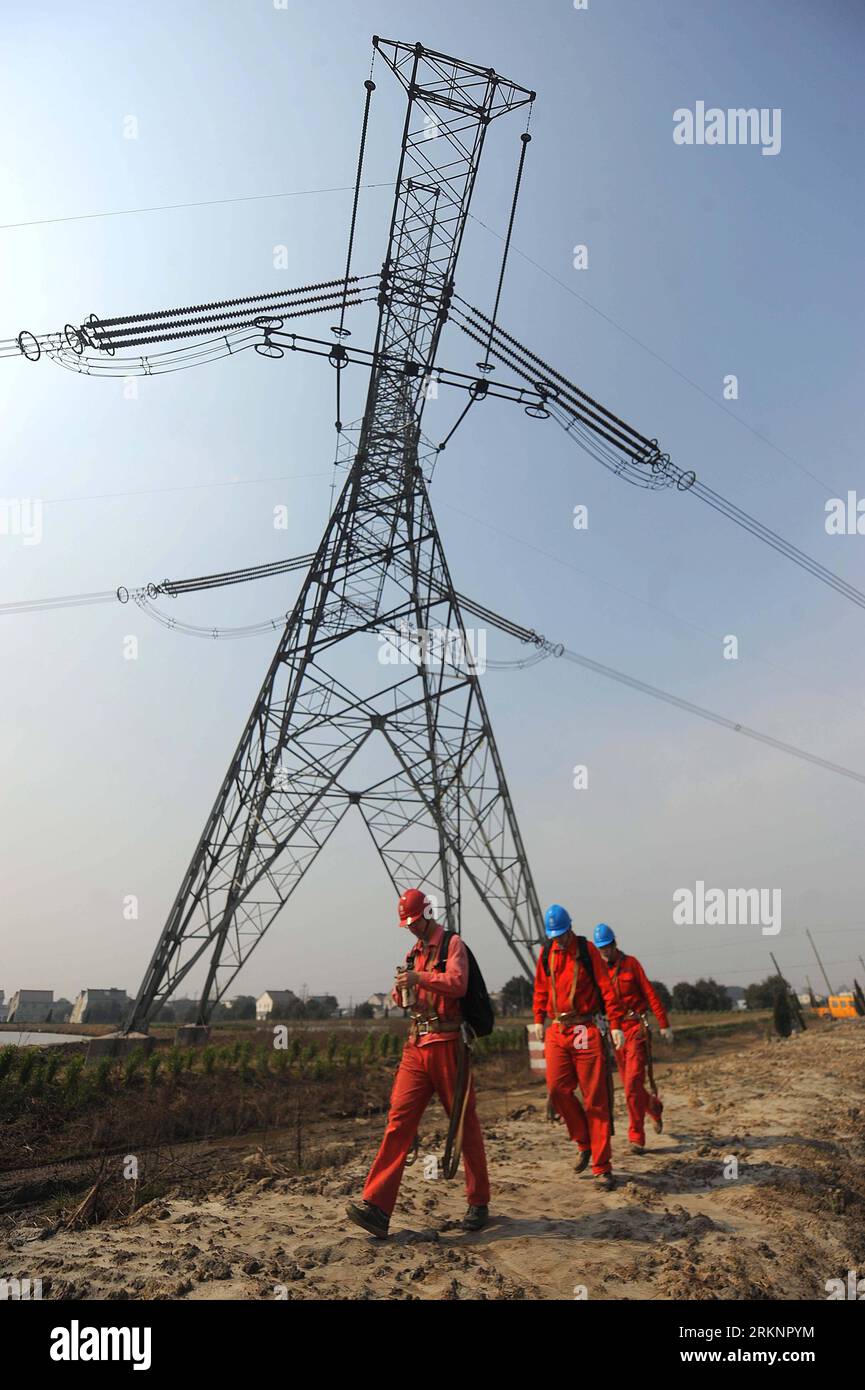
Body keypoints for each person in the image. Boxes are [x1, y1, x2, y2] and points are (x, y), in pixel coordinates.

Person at [346, 888, 490, 1238]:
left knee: (462, 1123)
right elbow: (405, 994)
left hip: (448, 1043)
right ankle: (377, 1207)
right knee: (398, 1120)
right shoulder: (413, 954)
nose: (411, 928)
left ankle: (478, 1200)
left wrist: (419, 979)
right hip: (417, 1043)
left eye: (414, 922)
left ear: (428, 913)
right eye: (407, 924)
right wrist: (400, 990)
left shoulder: (451, 945)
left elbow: (457, 983)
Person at [531, 904, 624, 1191]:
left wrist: (616, 1024)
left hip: (585, 1027)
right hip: (558, 1029)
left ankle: (602, 1166)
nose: (558, 939)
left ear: (570, 928)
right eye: (554, 935)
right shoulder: (547, 953)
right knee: (557, 1089)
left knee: (595, 1098)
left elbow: (607, 989)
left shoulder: (586, 951)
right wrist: (537, 1018)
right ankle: (583, 1140)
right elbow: (540, 988)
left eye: (561, 934)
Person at [593, 922, 673, 1154]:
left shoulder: (631, 964)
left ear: (614, 943)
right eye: (601, 948)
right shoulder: (599, 971)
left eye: (607, 946)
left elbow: (650, 992)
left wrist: (664, 1023)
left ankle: (636, 1135)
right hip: (615, 1032)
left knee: (631, 1085)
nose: (605, 951)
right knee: (632, 1084)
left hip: (637, 1028)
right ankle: (653, 1107)